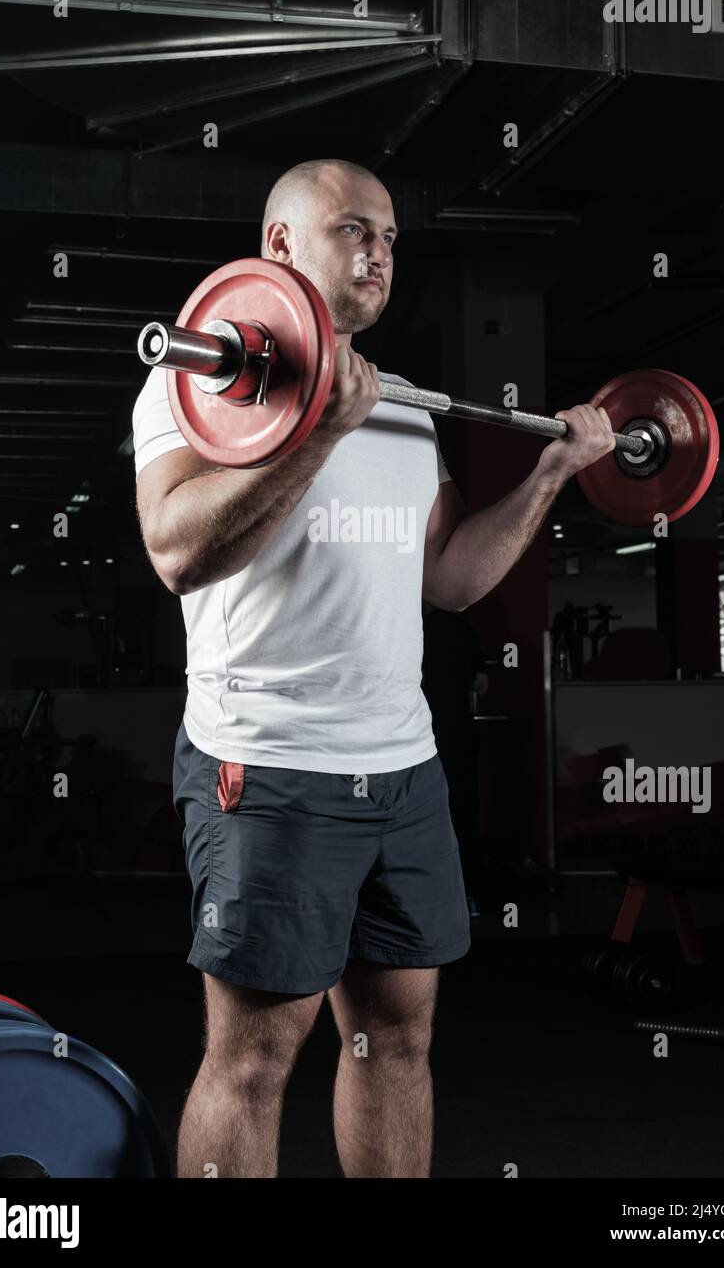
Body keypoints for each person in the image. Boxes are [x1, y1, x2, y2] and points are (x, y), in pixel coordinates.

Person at [132, 159, 614, 1178]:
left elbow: (448, 578)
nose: (379, 253)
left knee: (396, 1041)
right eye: (353, 229)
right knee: (254, 1058)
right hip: (265, 764)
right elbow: (176, 551)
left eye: (390, 236)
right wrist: (316, 435)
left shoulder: (400, 400)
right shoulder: (198, 377)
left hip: (400, 768)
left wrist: (551, 474)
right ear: (278, 249)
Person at [421, 606, 488, 916]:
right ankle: (467, 895)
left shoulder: (400, 622)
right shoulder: (460, 628)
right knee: (461, 814)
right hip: (456, 734)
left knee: (415, 821)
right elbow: (480, 684)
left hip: (414, 740)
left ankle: (425, 900)